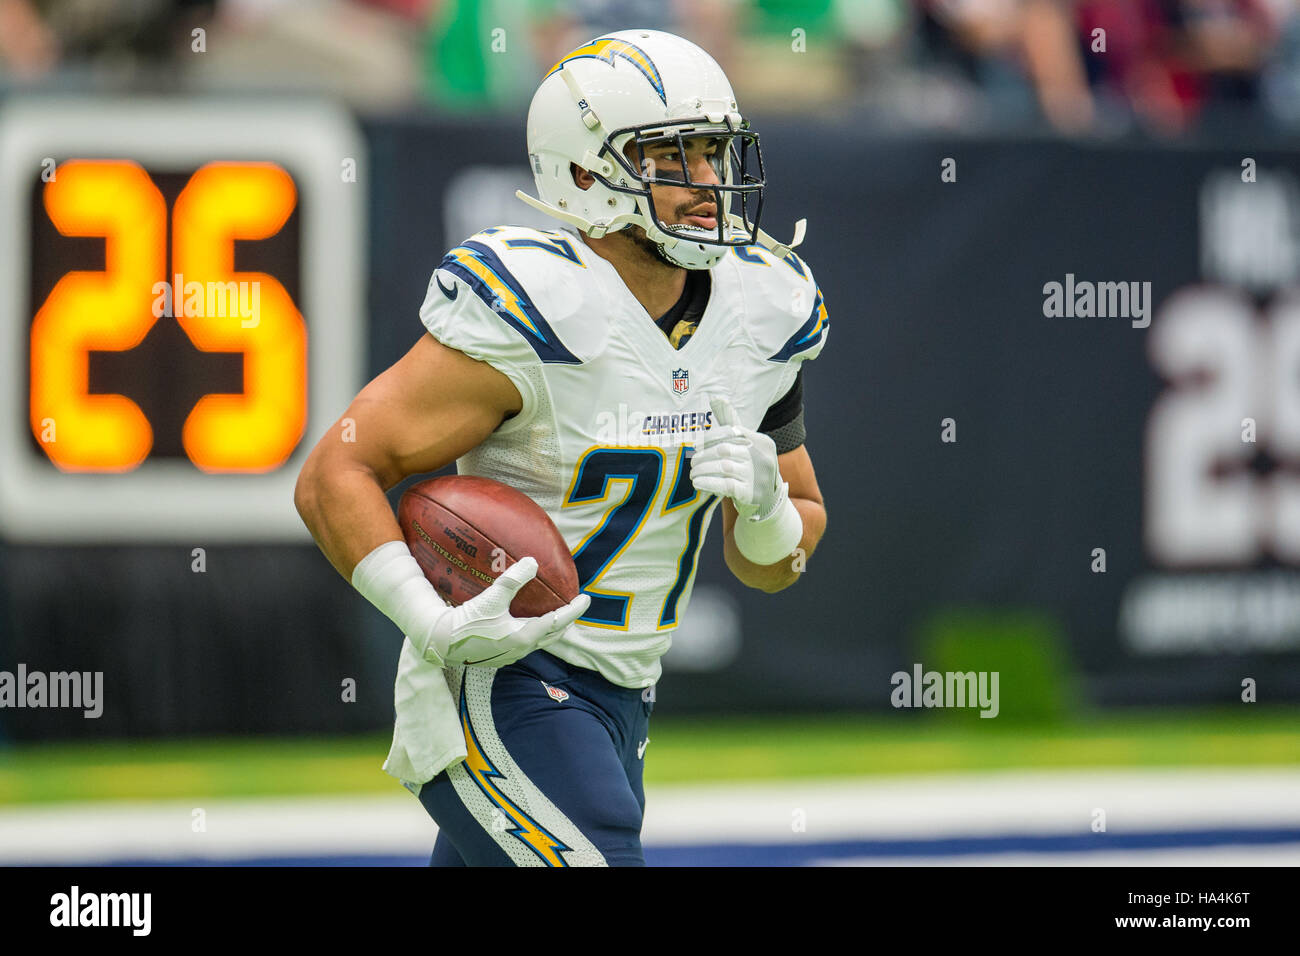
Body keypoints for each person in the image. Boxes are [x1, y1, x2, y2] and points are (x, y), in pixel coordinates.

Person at [295, 29, 829, 866]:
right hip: (504, 678)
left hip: (623, 700)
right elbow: (337, 471)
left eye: (714, 154)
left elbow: (781, 555)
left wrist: (763, 514)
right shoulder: (540, 305)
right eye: (671, 157)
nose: (707, 183)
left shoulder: (763, 306)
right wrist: (432, 622)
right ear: (584, 174)